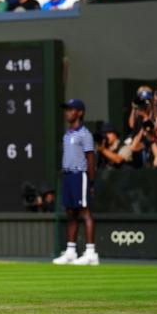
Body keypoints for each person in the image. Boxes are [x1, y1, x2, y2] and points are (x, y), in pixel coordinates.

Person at [54, 99, 99, 264]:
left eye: (71, 110)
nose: (67, 113)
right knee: (71, 213)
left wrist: (91, 182)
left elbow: (91, 159)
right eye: (67, 110)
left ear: (80, 113)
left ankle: (91, 253)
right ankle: (71, 251)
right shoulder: (67, 134)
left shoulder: (85, 134)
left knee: (85, 212)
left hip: (80, 175)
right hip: (68, 176)